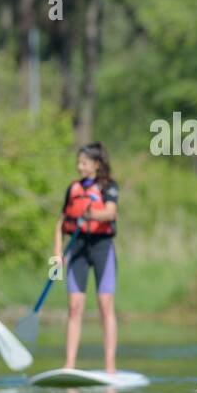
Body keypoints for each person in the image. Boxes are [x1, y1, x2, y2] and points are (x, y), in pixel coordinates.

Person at [55, 142, 120, 373]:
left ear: (96, 164)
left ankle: (110, 366)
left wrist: (92, 213)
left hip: (102, 246)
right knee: (74, 306)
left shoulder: (109, 187)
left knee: (105, 305)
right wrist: (57, 254)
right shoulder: (73, 189)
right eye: (78, 162)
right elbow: (61, 222)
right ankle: (69, 364)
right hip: (76, 246)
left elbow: (111, 212)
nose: (79, 166)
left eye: (83, 162)